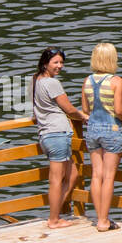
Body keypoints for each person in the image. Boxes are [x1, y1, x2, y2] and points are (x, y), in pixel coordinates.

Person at [30, 48, 84, 229]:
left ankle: (57, 210)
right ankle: (54, 219)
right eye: (55, 62)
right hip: (56, 134)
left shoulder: (35, 80)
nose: (59, 66)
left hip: (46, 133)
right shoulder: (52, 83)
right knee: (56, 179)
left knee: (73, 173)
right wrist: (84, 117)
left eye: (61, 62)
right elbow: (68, 108)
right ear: (45, 63)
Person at [81, 42, 122, 232]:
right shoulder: (116, 81)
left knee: (96, 174)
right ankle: (103, 221)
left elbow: (85, 110)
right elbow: (118, 110)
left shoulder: (87, 81)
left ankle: (100, 217)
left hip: (92, 129)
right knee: (108, 177)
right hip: (111, 130)